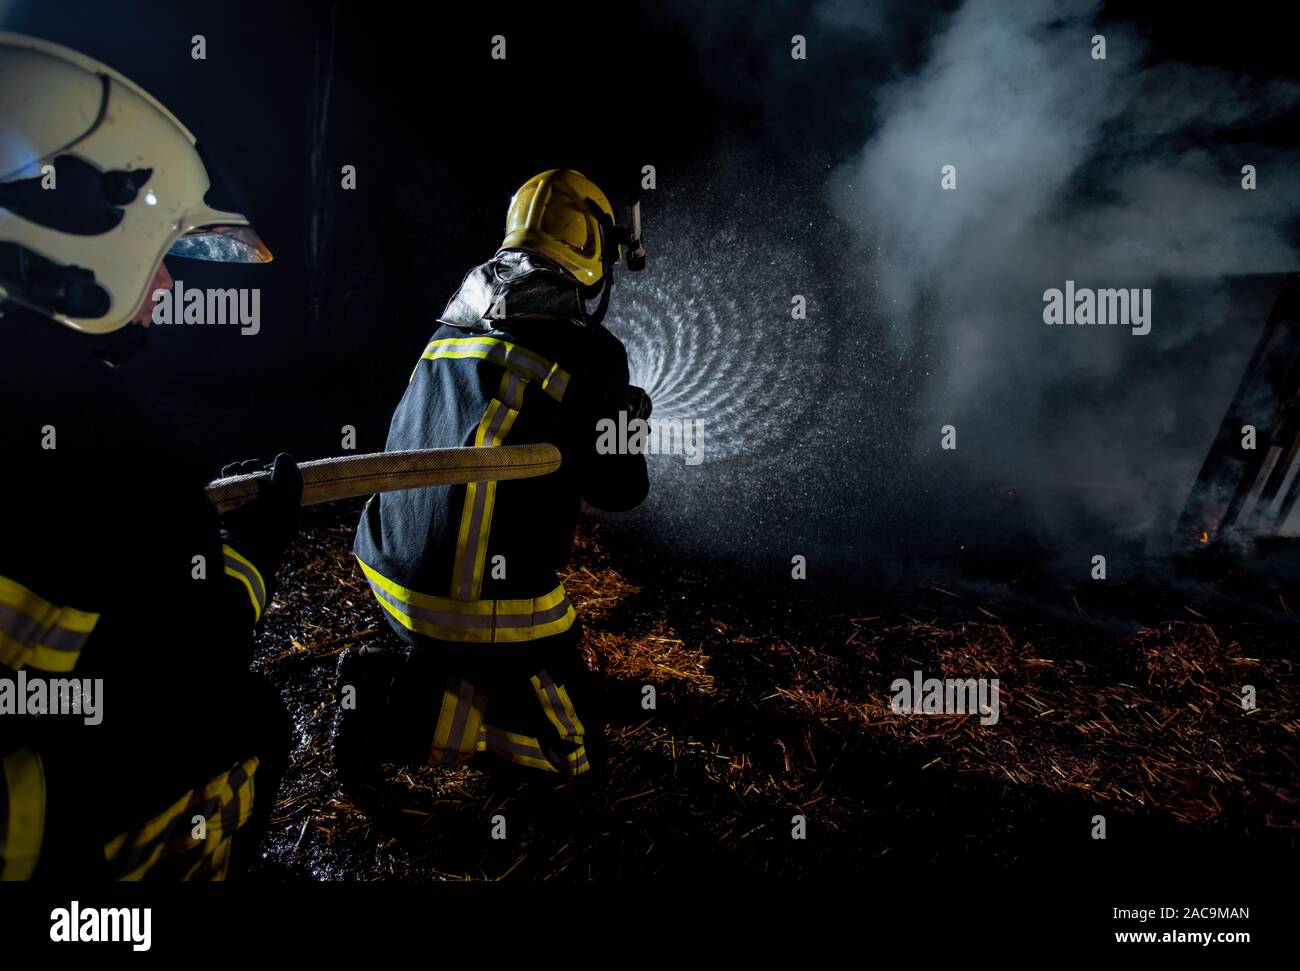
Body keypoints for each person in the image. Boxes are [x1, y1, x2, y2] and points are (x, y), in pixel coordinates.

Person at [0, 32, 300, 879]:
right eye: (161, 253)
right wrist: (256, 553)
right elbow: (190, 663)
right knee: (249, 721)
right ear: (86, 229)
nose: (167, 288)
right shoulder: (108, 441)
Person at [337, 169, 650, 787]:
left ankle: (442, 671)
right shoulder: (594, 354)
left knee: (526, 657)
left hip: (383, 566)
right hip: (464, 599)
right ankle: (401, 712)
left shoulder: (451, 324)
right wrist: (632, 423)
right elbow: (622, 491)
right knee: (575, 756)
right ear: (590, 252)